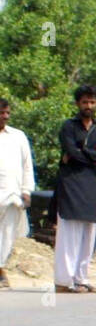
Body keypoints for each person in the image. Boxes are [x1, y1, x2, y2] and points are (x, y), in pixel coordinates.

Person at [53, 85, 96, 293]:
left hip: (89, 184)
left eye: (92, 102)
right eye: (85, 102)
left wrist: (82, 151)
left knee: (88, 232)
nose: (89, 106)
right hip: (70, 183)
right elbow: (70, 152)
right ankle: (63, 281)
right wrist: (91, 153)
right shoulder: (68, 126)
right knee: (70, 233)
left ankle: (81, 279)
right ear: (78, 104)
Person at [0, 98, 35, 289]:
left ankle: (1, 270)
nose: (5, 116)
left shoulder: (18, 136)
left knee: (7, 235)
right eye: (1, 113)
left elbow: (27, 166)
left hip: (12, 196)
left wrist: (27, 191)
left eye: (7, 113)